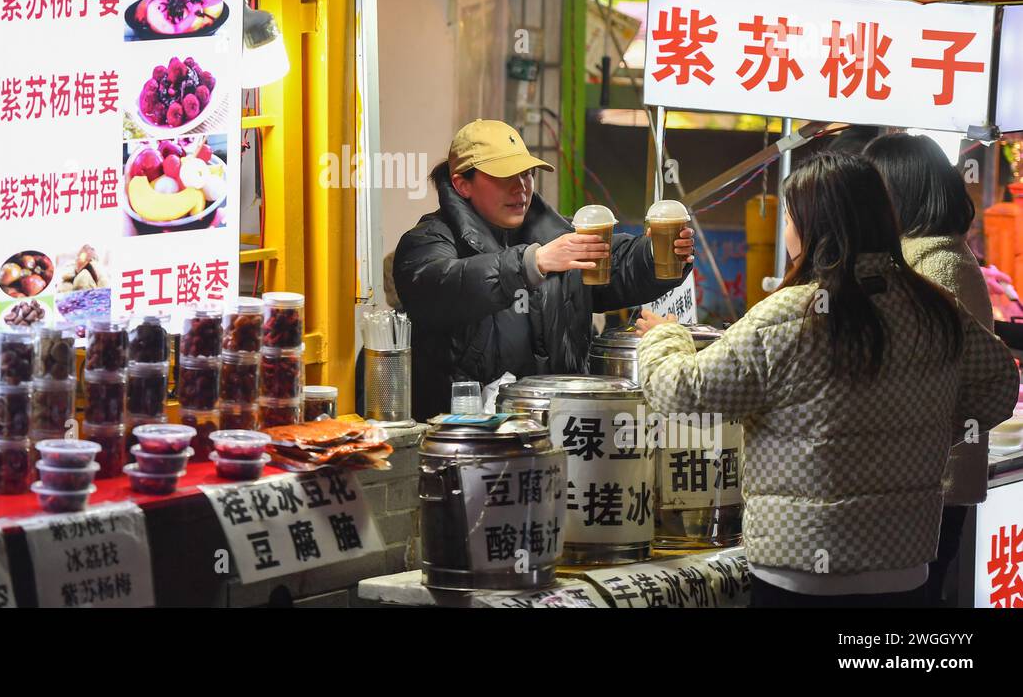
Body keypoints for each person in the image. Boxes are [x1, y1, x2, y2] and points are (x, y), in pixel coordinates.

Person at [635, 153, 1018, 607]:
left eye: (790, 217)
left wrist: (667, 338)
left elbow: (683, 394)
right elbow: (998, 387)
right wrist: (928, 430)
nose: (786, 231)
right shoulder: (934, 309)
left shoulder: (789, 315)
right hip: (903, 569)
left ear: (813, 224)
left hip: (798, 574)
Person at [393, 119, 694, 421]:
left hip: (560, 428)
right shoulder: (427, 241)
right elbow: (442, 286)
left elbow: (614, 263)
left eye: (526, 173)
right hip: (473, 437)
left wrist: (655, 254)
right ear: (462, 184)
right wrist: (531, 264)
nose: (520, 187)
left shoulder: (554, 235)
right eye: (504, 176)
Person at [865, 132, 993, 606]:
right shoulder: (930, 257)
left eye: (872, 187)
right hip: (926, 480)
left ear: (899, 191)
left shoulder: (936, 266)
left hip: (931, 483)